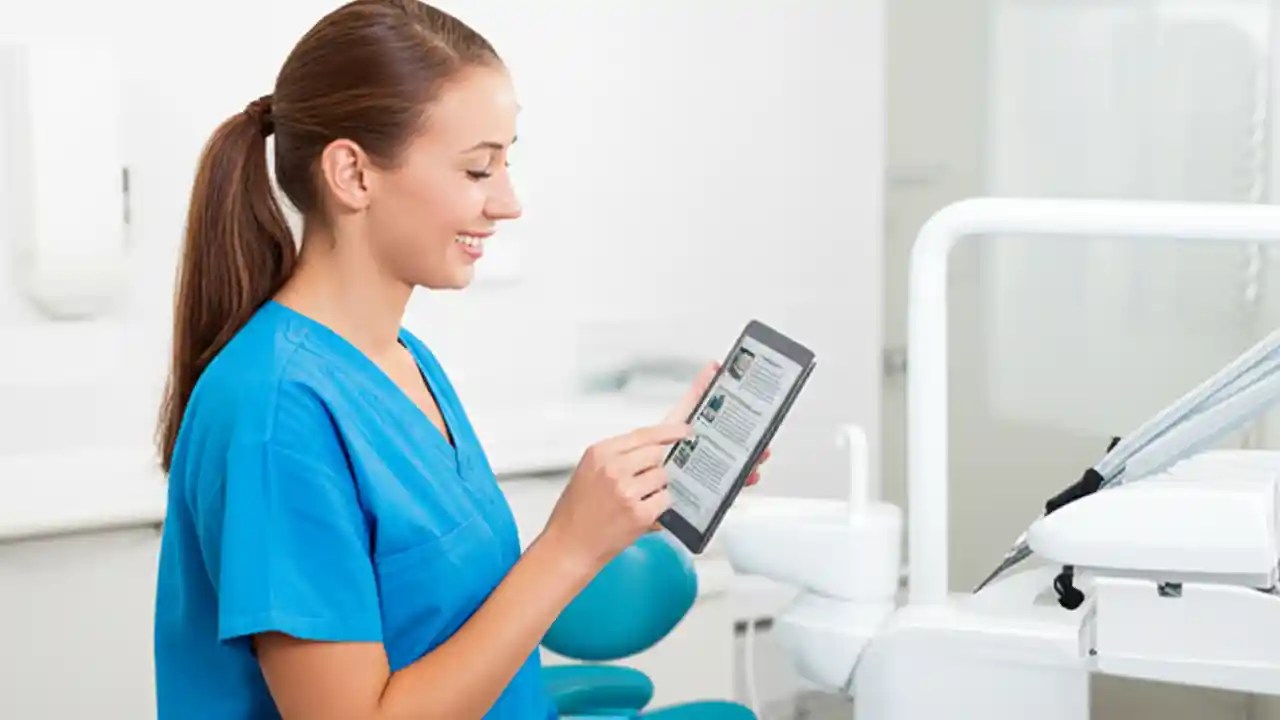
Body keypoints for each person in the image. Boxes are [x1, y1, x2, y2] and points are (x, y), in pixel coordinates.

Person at [151, 2, 770, 718]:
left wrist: (626, 505)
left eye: (507, 162)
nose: (507, 202)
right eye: (479, 169)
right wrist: (567, 546)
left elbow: (450, 613)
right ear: (352, 173)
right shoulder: (276, 410)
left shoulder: (401, 360)